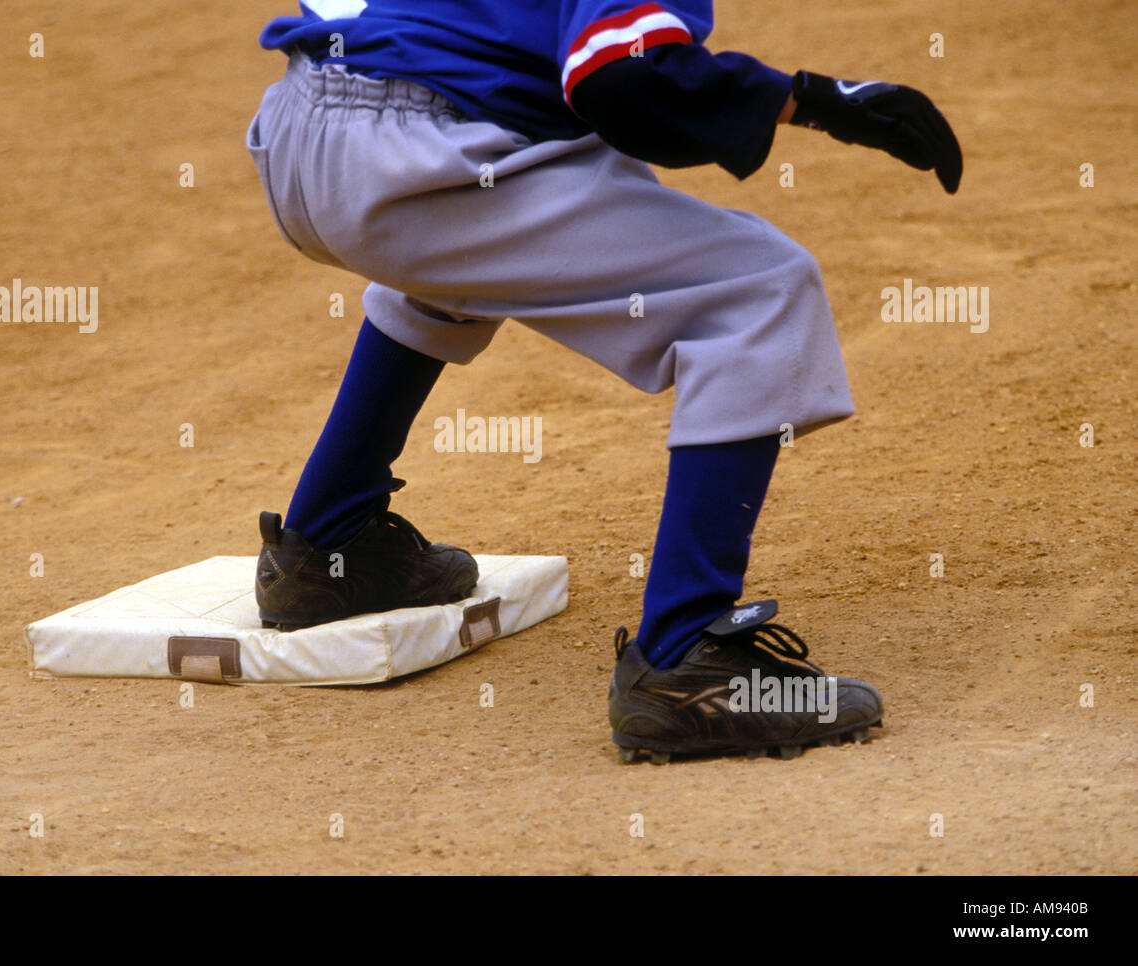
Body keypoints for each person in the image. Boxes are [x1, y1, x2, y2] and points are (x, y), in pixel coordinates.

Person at [246, 0, 962, 762]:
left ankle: (328, 543)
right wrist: (819, 101)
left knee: (478, 228)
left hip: (298, 129)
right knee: (762, 291)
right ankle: (686, 661)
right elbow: (625, 84)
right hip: (413, 161)